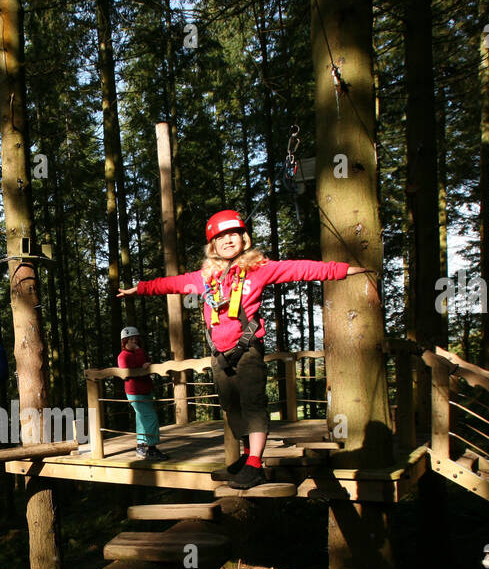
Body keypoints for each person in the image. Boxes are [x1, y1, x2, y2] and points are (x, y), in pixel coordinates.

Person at [118, 210, 370, 489]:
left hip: (247, 350)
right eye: (221, 237)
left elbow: (301, 269)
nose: (227, 241)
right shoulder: (205, 277)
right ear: (212, 245)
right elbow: (170, 284)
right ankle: (248, 458)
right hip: (220, 354)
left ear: (244, 239)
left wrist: (343, 270)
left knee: (252, 405)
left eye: (233, 235)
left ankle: (255, 465)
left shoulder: (259, 268)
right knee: (232, 407)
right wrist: (138, 289)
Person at [118, 326, 169, 461]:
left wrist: (142, 357)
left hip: (146, 389)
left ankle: (141, 447)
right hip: (135, 392)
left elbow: (147, 362)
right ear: (124, 342)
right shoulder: (123, 356)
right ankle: (152, 449)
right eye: (130, 339)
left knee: (141, 418)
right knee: (151, 417)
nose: (134, 342)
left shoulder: (140, 352)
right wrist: (139, 355)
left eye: (135, 339)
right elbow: (130, 370)